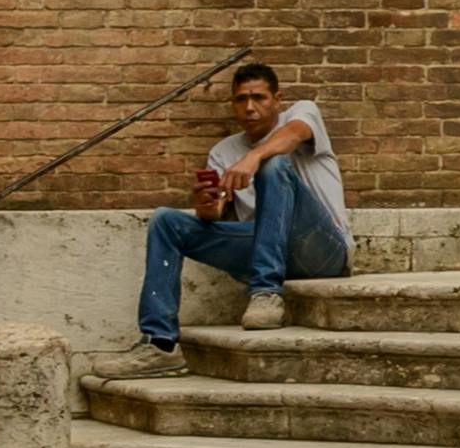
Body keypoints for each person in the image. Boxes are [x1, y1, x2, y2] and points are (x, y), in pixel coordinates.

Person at [139, 64, 345, 347]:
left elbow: (295, 134)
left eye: (258, 98)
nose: (249, 107)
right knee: (166, 220)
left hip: (322, 250)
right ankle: (160, 341)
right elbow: (216, 213)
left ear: (277, 99)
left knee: (273, 164)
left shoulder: (301, 113)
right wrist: (206, 206)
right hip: (264, 247)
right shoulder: (223, 152)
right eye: (241, 99)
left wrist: (255, 157)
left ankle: (265, 292)